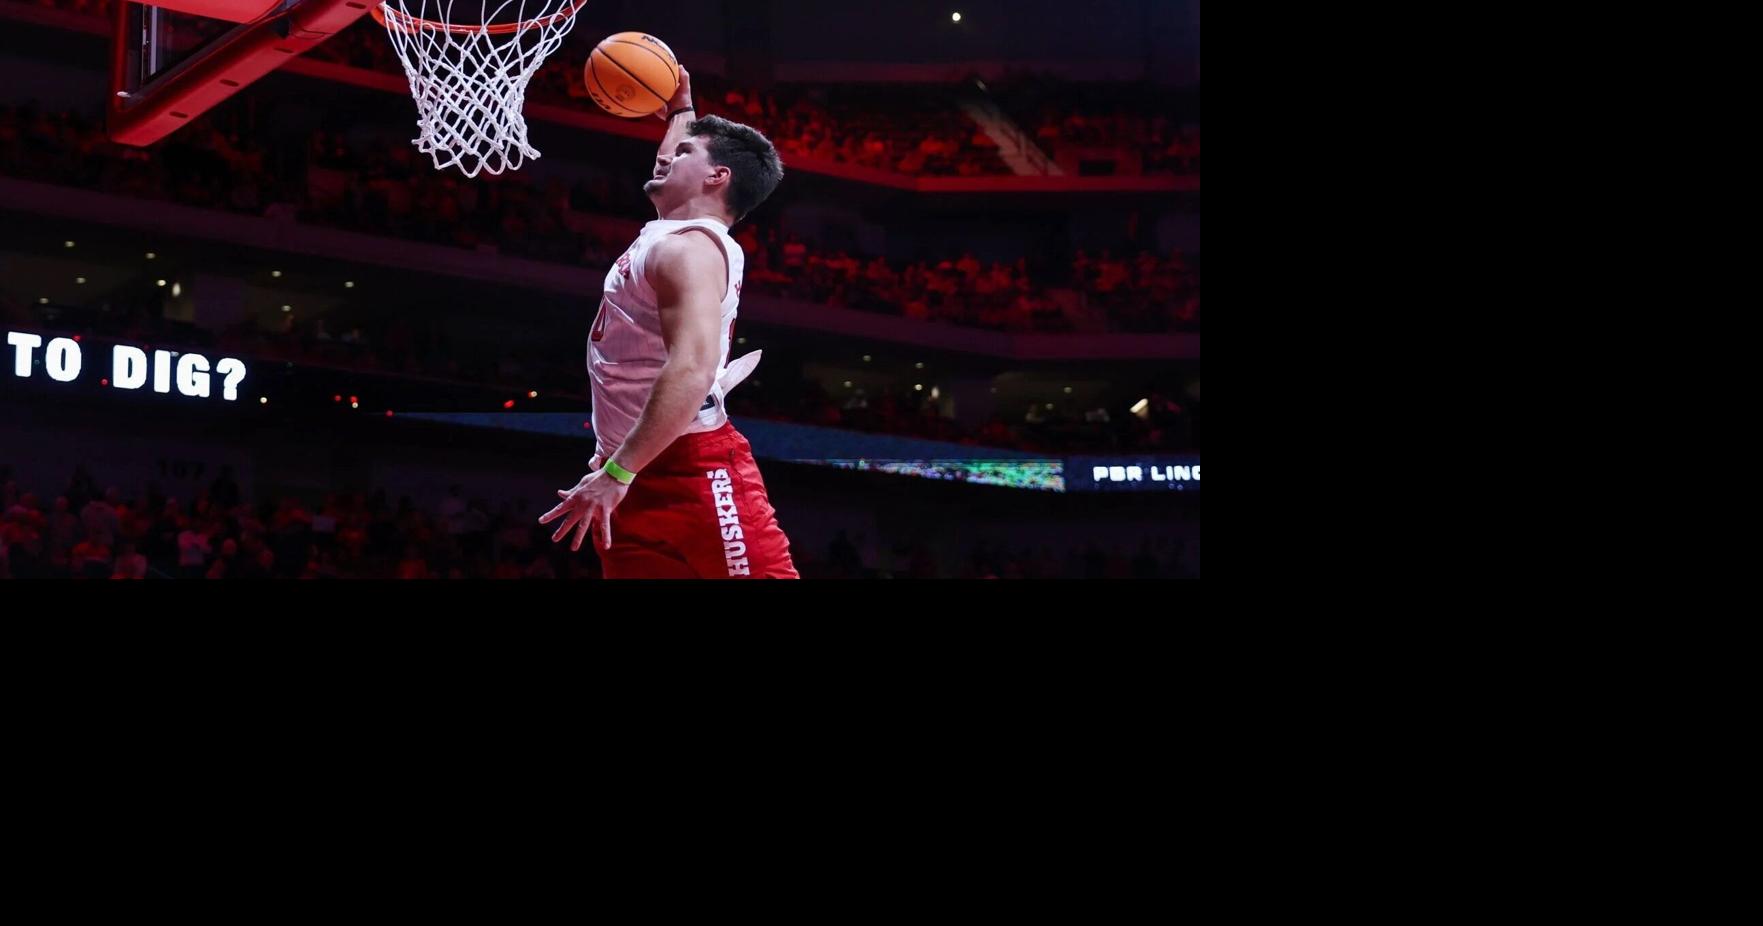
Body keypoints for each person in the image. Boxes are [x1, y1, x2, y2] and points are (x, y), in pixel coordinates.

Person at [540, 66, 797, 578]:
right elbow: (674, 153)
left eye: (682, 153)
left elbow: (693, 369)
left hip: (688, 465)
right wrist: (681, 109)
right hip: (628, 465)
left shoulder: (689, 252)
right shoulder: (669, 233)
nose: (663, 156)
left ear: (717, 177)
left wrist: (619, 472)